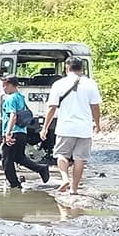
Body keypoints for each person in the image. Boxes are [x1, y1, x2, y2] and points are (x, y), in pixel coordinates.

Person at [43, 57, 102, 194]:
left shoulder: (58, 84)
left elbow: (52, 108)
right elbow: (95, 107)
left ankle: (64, 178)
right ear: (82, 68)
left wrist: (45, 127)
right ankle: (74, 190)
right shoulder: (91, 84)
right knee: (80, 159)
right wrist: (97, 124)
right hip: (84, 128)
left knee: (62, 155)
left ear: (66, 67)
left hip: (65, 127)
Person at [0, 73, 52, 188]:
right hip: (22, 132)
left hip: (13, 133)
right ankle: (41, 169)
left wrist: (8, 133)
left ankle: (14, 184)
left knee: (6, 160)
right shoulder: (20, 96)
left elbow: (13, 116)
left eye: (4, 86)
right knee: (19, 157)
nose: (3, 88)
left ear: (11, 85)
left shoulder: (11, 98)